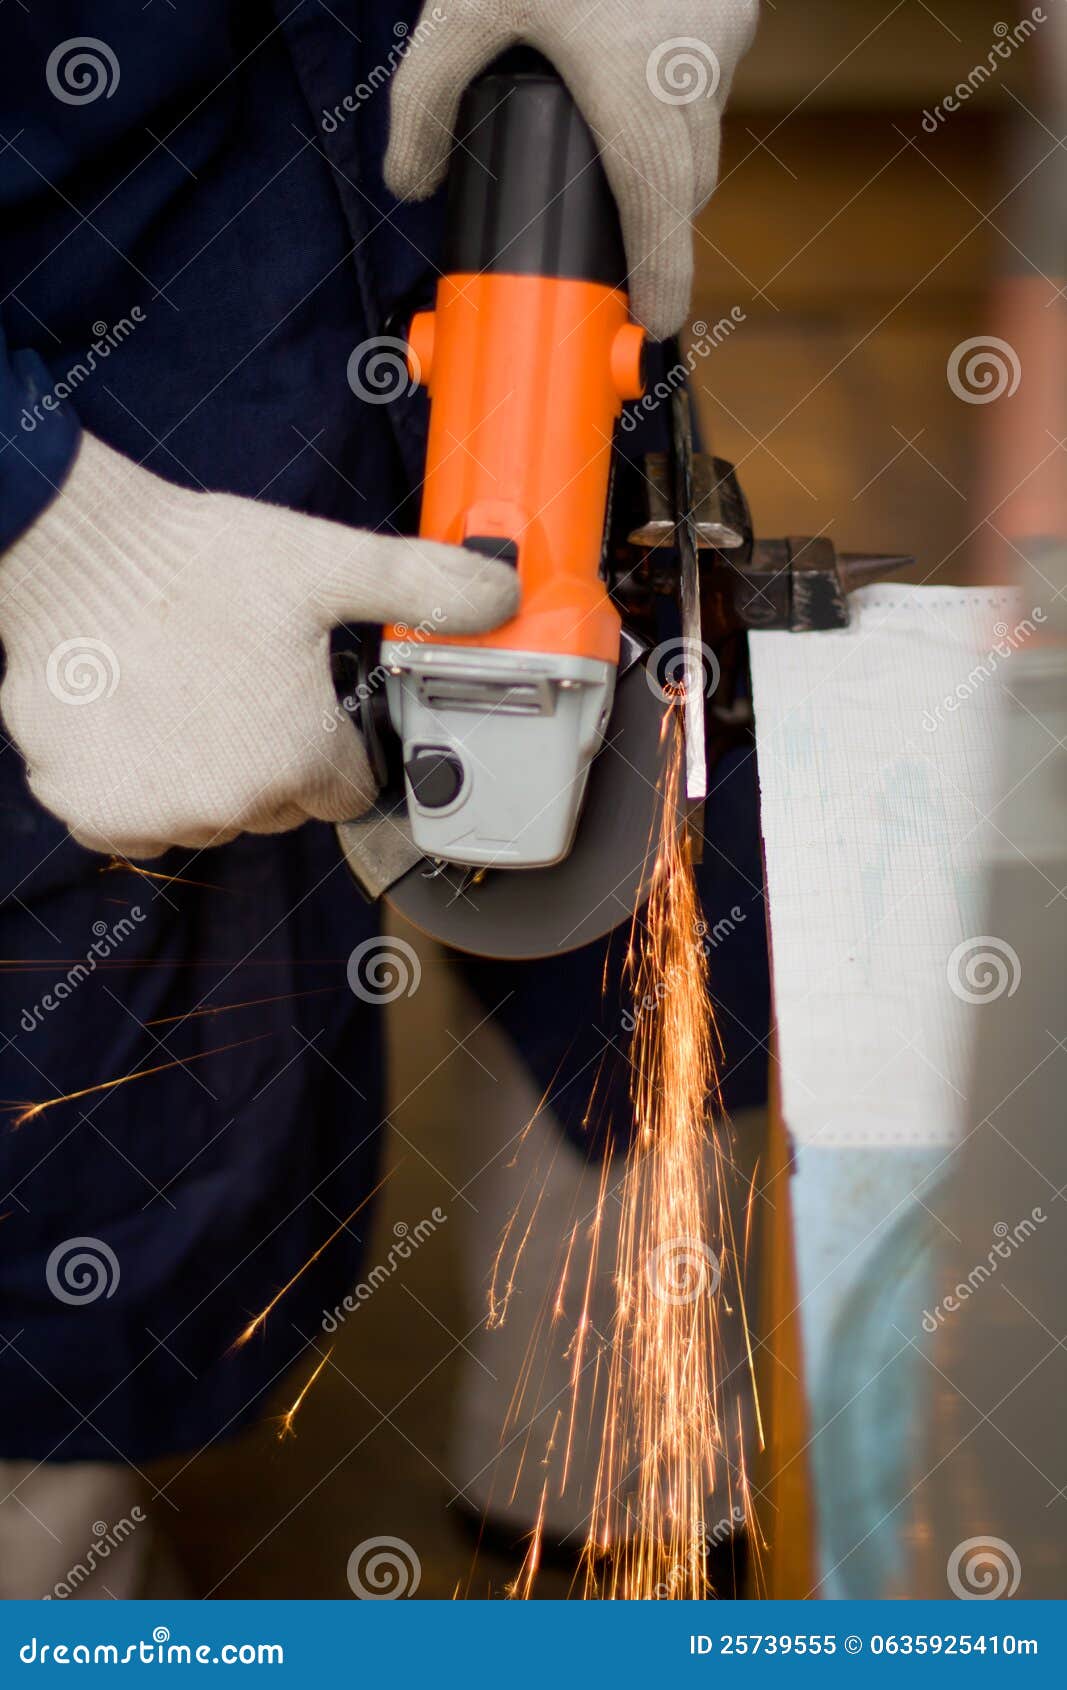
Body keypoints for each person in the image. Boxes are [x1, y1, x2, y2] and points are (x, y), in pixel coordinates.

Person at [0, 1, 761, 1596]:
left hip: (466, 222)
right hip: (92, 367)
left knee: (682, 994)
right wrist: (51, 532)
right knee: (85, 1259)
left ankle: (601, 1546)